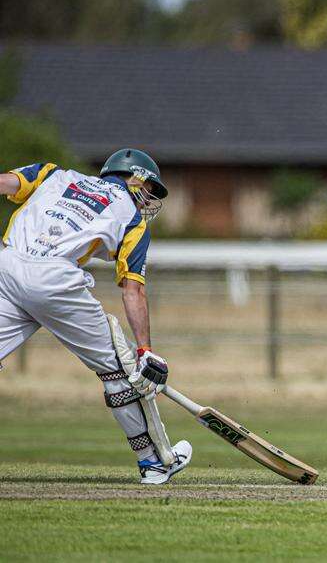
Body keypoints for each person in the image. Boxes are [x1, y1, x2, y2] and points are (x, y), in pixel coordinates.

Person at [0, 148, 191, 484]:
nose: (148, 202)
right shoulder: (132, 220)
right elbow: (133, 290)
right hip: (53, 281)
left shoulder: (52, 174)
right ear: (134, 178)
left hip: (7, 265)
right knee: (119, 369)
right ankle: (154, 463)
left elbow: (4, 182)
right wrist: (145, 350)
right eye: (149, 191)